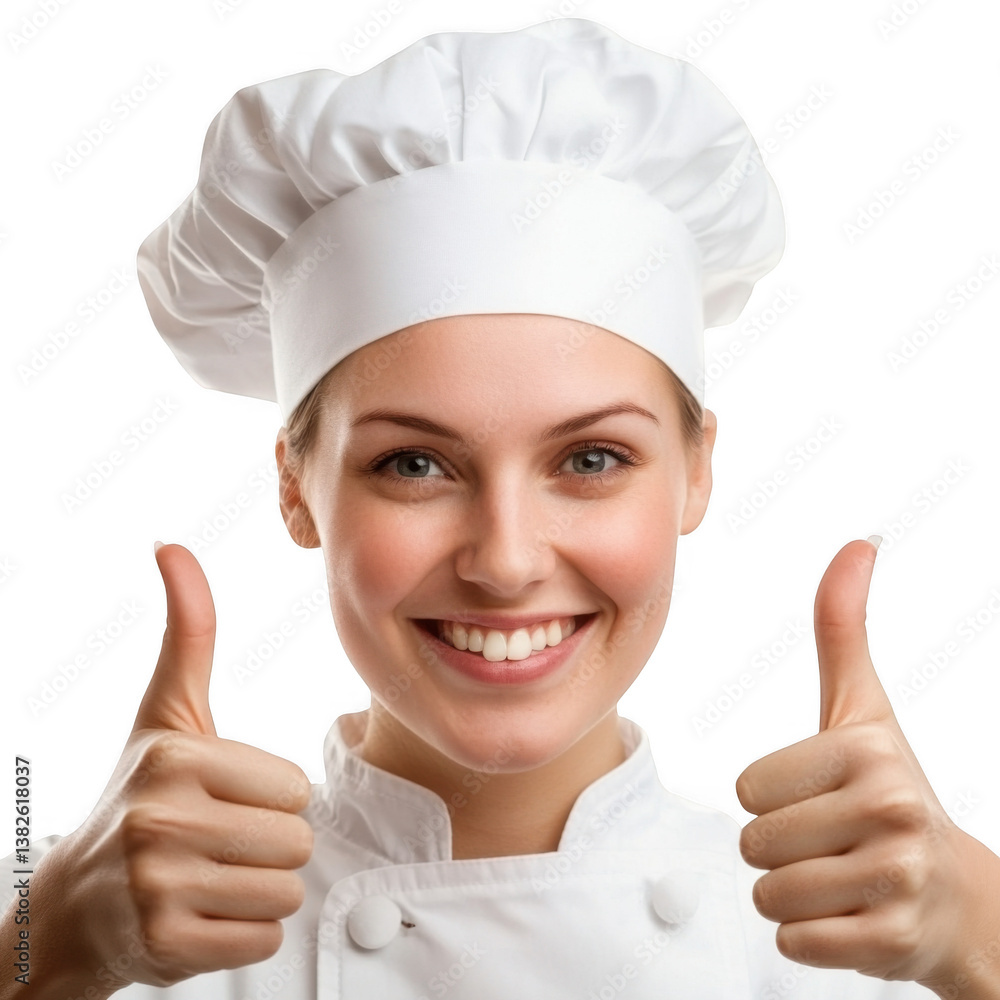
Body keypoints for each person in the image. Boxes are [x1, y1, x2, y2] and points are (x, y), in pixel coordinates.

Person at [4, 16, 1000, 999]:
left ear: (696, 470)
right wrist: (41, 948)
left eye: (592, 457)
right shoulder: (100, 927)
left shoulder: (873, 936)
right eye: (413, 465)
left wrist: (982, 932)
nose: (507, 559)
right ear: (295, 484)